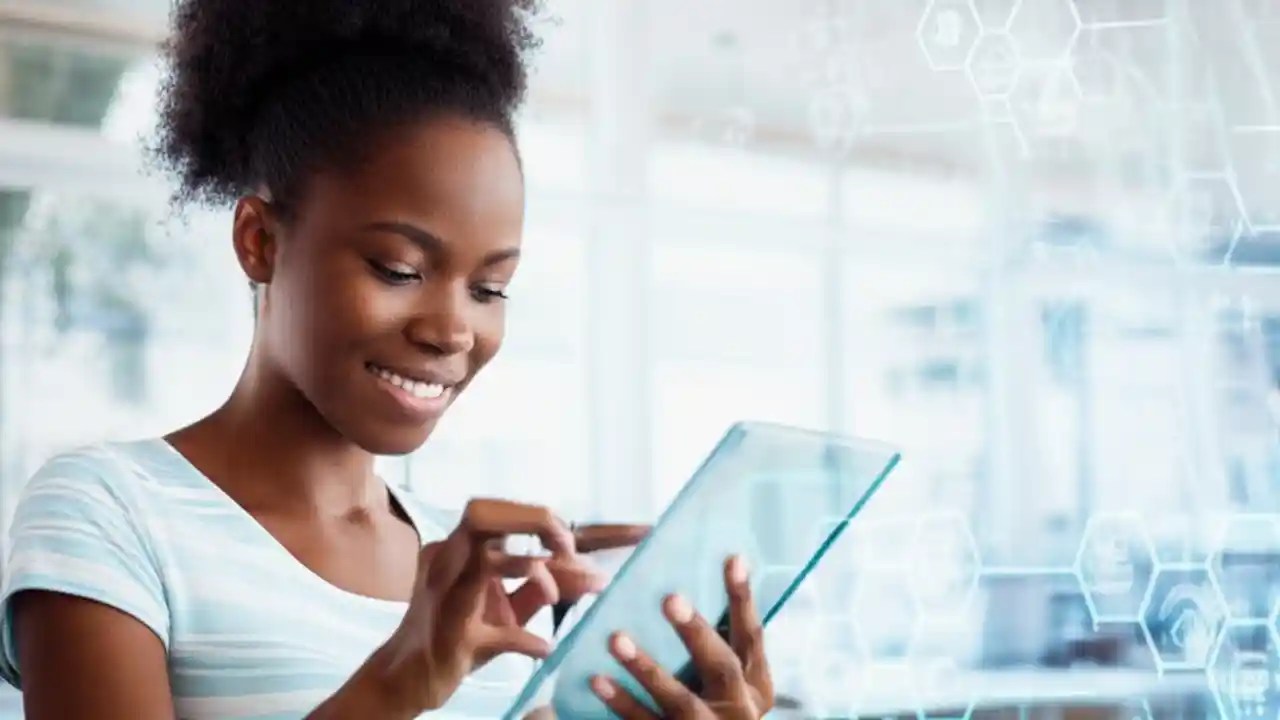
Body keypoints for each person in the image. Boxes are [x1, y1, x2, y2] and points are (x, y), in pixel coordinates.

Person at [0, 0, 776, 718]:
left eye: (490, 287)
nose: (453, 330)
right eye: (400, 270)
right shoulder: (112, 513)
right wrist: (394, 686)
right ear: (260, 240)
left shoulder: (474, 578)